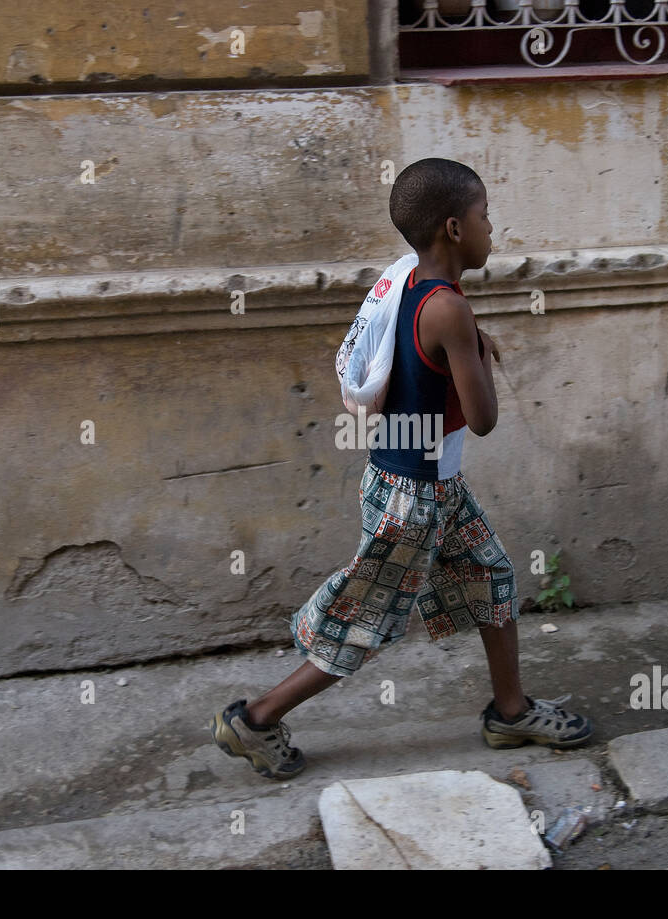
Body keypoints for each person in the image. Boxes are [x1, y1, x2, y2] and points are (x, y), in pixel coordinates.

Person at [210, 158, 592, 779]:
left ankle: (511, 711)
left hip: (419, 481)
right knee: (363, 623)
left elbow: (428, 353)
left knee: (490, 577)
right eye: (484, 217)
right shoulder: (450, 310)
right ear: (453, 228)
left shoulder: (410, 281)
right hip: (413, 498)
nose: (493, 228)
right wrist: (479, 355)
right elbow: (484, 417)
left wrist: (470, 341)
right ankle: (256, 720)